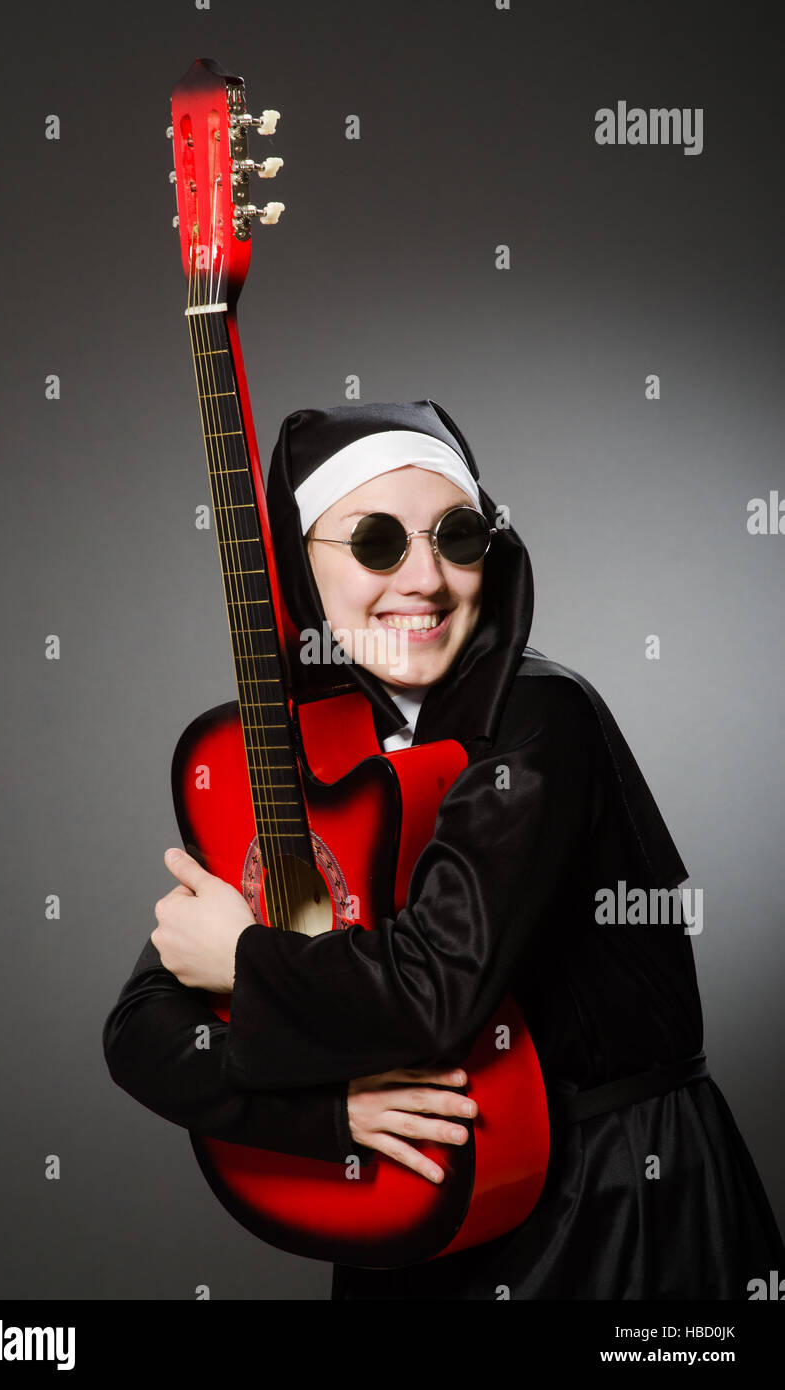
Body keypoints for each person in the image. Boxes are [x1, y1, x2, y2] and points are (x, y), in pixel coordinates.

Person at [103, 398, 785, 1299]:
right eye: (376, 542)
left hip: (608, 1209)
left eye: (456, 537)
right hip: (418, 1214)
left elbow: (433, 987)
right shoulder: (297, 755)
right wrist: (325, 1113)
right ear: (298, 572)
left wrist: (242, 960)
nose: (423, 577)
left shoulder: (541, 718)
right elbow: (142, 1034)